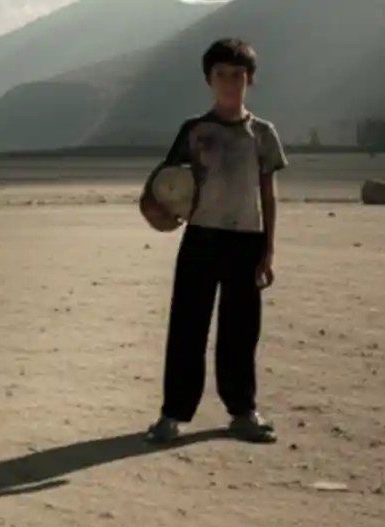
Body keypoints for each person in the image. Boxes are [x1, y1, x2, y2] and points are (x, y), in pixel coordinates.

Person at [142, 38, 288, 445]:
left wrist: (268, 249)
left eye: (238, 75)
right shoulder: (194, 130)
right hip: (201, 238)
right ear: (208, 79)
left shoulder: (262, 134)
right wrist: (154, 208)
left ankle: (243, 412)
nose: (229, 82)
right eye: (221, 74)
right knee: (187, 326)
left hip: (247, 239)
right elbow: (165, 181)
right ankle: (173, 414)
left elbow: (268, 194)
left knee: (241, 331)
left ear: (250, 80)